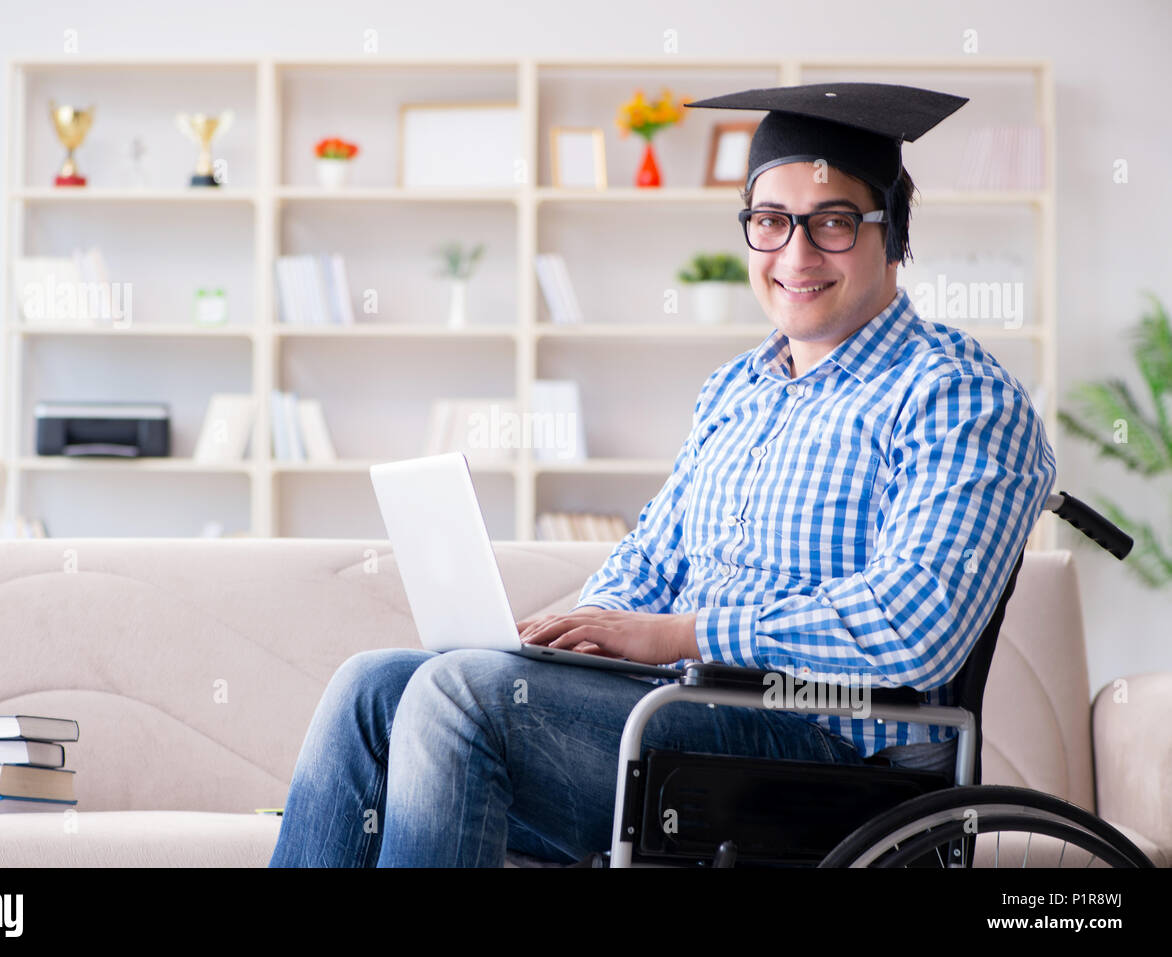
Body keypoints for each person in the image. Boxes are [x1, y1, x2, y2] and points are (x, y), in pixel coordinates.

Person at [269, 82, 1057, 868]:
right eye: (770, 222)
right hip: (682, 721)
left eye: (834, 223)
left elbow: (914, 625)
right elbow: (653, 556)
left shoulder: (957, 395)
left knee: (460, 697)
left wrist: (676, 635)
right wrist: (584, 635)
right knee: (370, 686)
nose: (796, 253)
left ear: (894, 236)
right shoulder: (736, 390)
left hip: (828, 758)